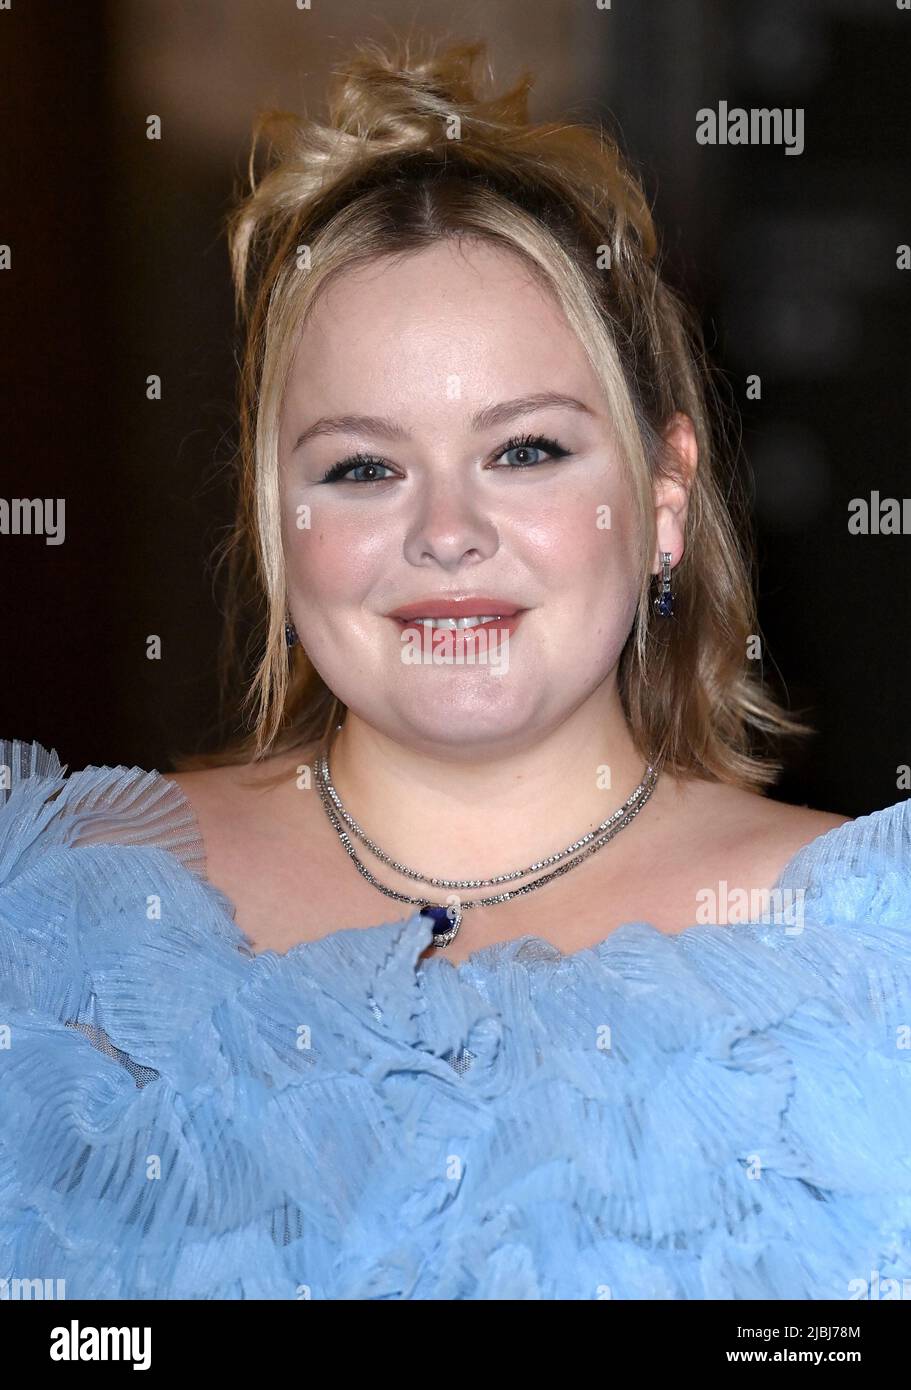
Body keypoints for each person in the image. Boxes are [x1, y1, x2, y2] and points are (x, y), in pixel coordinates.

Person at [1, 37, 908, 1301]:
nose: (444, 532)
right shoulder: (57, 930)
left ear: (661, 498)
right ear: (277, 522)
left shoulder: (871, 963)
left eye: (526, 449)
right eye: (362, 466)